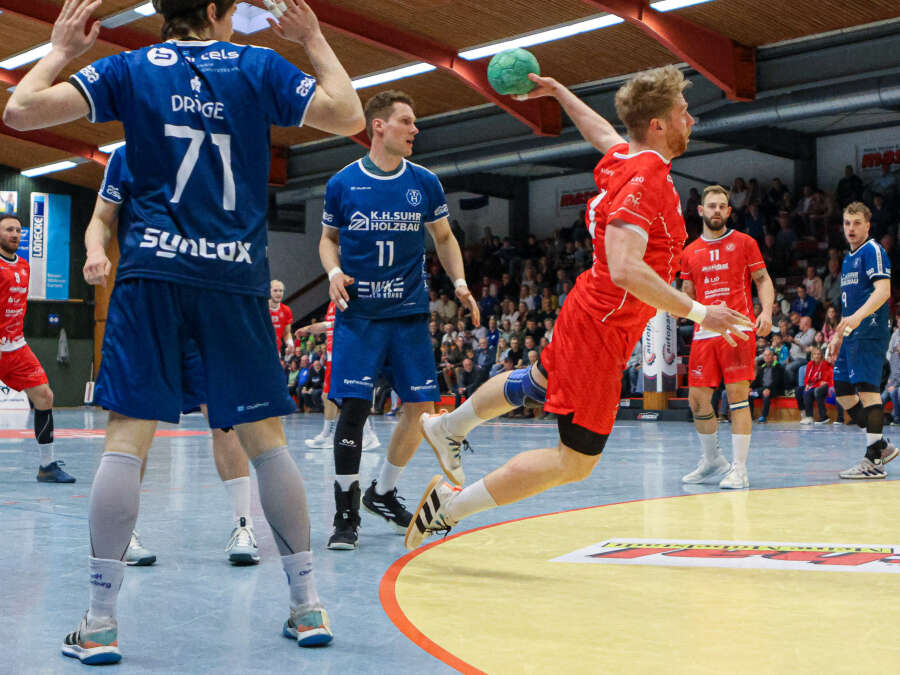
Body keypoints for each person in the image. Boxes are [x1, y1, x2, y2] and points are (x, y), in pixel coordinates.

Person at [5, 0, 366, 662]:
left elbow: (20, 111)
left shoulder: (132, 67)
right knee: (267, 442)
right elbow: (349, 114)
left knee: (126, 439)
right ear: (211, 9)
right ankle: (307, 604)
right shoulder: (257, 66)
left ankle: (100, 620)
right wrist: (312, 39)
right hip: (235, 279)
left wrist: (58, 48)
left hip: (151, 277)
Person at [407, 67, 750, 549]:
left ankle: (448, 426)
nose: (690, 120)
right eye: (682, 113)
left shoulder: (626, 159)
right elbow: (627, 268)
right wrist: (700, 313)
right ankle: (450, 507)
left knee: (535, 381)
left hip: (590, 311)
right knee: (576, 460)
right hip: (601, 329)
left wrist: (560, 91)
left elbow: (603, 133)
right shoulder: (644, 180)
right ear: (657, 125)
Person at [85, 144, 263, 566]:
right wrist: (96, 252)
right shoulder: (128, 154)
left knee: (225, 421)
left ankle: (244, 525)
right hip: (150, 306)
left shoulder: (220, 150)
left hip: (206, 307)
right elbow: (100, 219)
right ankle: (122, 535)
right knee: (134, 425)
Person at [319, 88, 479, 550]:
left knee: (421, 411)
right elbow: (328, 239)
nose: (415, 129)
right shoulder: (343, 182)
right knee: (353, 408)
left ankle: (382, 492)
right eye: (407, 121)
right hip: (358, 314)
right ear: (379, 127)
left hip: (408, 313)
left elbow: (445, 237)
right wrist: (332, 271)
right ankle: (345, 514)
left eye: (414, 122)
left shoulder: (425, 182)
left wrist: (461, 283)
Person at [679, 185, 774, 489]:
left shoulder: (744, 242)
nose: (716, 210)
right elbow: (687, 294)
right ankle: (712, 460)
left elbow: (763, 279)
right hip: (704, 331)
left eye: (722, 206)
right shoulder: (689, 252)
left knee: (737, 397)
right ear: (701, 211)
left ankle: (740, 469)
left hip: (738, 329)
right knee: (697, 401)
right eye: (711, 206)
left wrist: (767, 312)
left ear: (729, 212)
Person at [0, 216, 74, 483]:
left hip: (16, 346)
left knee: (44, 396)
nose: (15, 234)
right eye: (9, 229)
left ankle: (47, 466)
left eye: (19, 230)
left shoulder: (24, 265)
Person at [828, 202, 898, 478]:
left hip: (870, 329)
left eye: (857, 223)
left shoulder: (873, 250)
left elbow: (883, 291)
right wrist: (838, 334)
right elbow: (848, 305)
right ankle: (880, 444)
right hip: (851, 333)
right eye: (847, 223)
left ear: (867, 225)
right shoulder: (848, 258)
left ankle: (874, 462)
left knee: (868, 390)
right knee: (843, 391)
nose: (851, 228)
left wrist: (857, 319)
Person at [297, 303, 379, 451]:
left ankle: (369, 435)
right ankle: (327, 434)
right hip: (333, 356)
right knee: (327, 396)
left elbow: (347, 323)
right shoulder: (332, 301)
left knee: (349, 397)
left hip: (346, 355)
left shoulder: (347, 296)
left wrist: (310, 328)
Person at [798, 346, 833, 424]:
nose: (817, 356)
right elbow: (807, 377)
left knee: (811, 392)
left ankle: (823, 416)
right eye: (815, 354)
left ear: (821, 355)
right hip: (813, 385)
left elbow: (823, 380)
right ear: (812, 355)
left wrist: (811, 386)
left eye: (818, 354)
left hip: (822, 385)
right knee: (800, 390)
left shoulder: (825, 364)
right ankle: (808, 417)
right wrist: (807, 384)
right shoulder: (810, 364)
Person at [749, 348, 784, 423]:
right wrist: (751, 387)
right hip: (761, 390)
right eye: (765, 355)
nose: (767, 357)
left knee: (766, 393)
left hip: (773, 390)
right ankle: (750, 416)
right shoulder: (762, 367)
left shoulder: (777, 366)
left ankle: (764, 416)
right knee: (750, 394)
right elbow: (757, 380)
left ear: (773, 356)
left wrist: (769, 389)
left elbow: (777, 381)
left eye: (769, 355)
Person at [269, 280, 294, 357]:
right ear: (268, 291)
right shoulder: (261, 309)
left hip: (276, 352)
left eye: (281, 291)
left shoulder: (286, 310)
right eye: (275, 290)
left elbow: (286, 333)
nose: (278, 293)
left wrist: (290, 343)